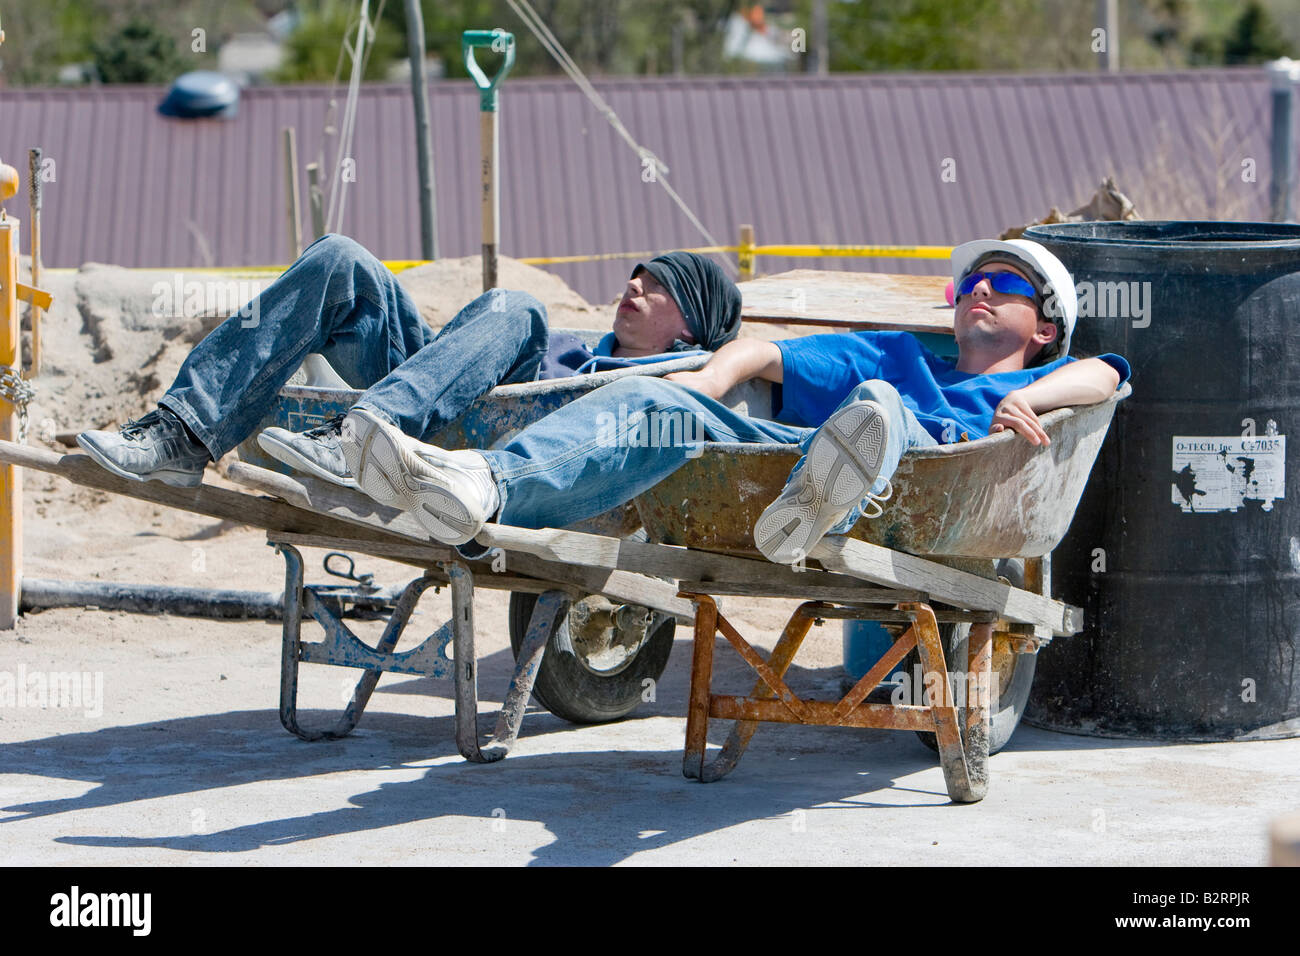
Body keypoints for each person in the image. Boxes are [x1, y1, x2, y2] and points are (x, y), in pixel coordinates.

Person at [332, 238, 1131, 565]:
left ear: (1046, 322)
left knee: (883, 407)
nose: (980, 292)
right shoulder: (898, 350)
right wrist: (709, 381)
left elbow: (1109, 377)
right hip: (792, 472)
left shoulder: (1038, 381)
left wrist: (1028, 393)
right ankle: (481, 485)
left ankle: (836, 489)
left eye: (1006, 285)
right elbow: (767, 352)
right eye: (971, 284)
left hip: (923, 488)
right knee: (661, 404)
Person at [76, 235, 742, 489]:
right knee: (340, 257)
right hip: (440, 399)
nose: (633, 287)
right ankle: (183, 434)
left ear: (692, 329)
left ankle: (365, 435)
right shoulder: (570, 347)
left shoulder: (670, 390)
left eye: (658, 287)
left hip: (497, 450)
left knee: (518, 304)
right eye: (635, 275)